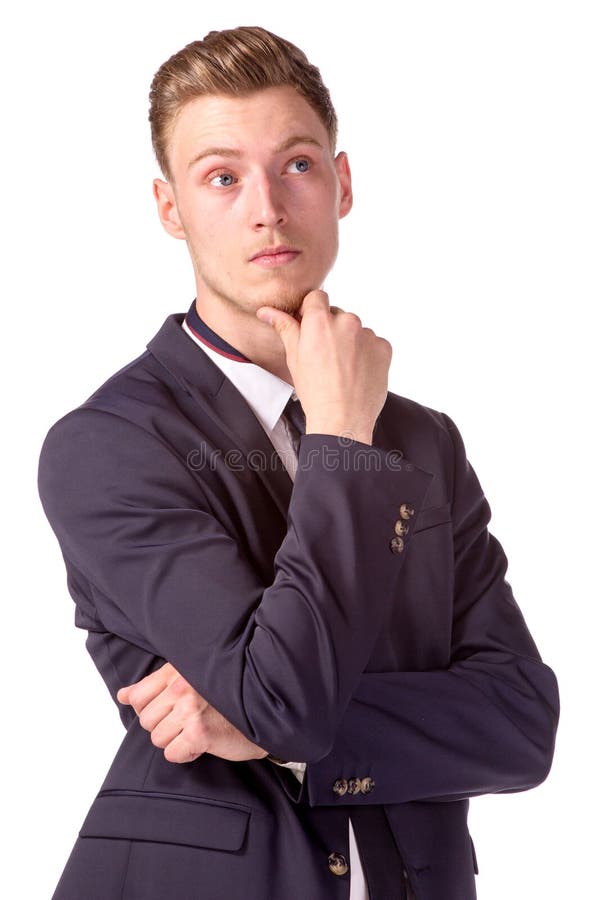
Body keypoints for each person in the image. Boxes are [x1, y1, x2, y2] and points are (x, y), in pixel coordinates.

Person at [37, 25, 559, 900]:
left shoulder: (426, 440)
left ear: (342, 183)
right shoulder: (108, 445)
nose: (268, 208)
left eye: (298, 165)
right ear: (170, 208)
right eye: (222, 177)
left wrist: (268, 728)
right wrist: (343, 437)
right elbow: (283, 700)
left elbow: (521, 726)